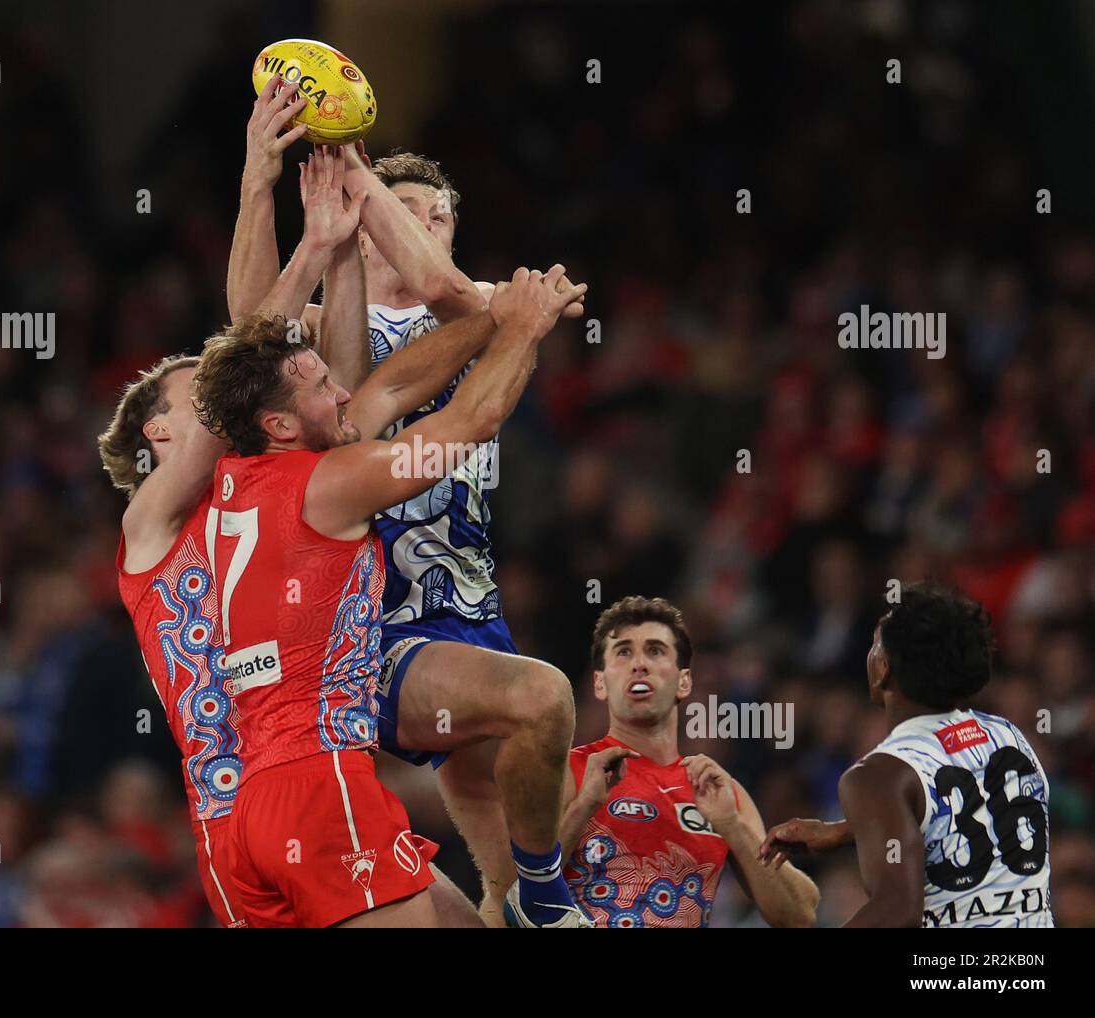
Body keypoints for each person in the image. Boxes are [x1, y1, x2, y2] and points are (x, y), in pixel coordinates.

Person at [100, 149, 519, 927]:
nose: (218, 389)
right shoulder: (154, 521)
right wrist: (276, 199)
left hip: (250, 809)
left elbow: (348, 398)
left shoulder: (255, 492)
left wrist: (329, 255)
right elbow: (257, 359)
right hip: (282, 789)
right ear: (159, 427)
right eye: (197, 389)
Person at [226, 77, 589, 927]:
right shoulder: (323, 338)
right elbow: (248, 329)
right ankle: (541, 894)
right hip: (375, 628)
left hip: (470, 615)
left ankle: (524, 894)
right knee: (543, 707)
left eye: (436, 213)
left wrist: (358, 169)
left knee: (502, 889)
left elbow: (446, 285)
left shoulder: (482, 308)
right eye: (401, 206)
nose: (415, 222)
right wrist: (278, 185)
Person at [760, 583, 1053, 928]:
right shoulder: (1008, 735)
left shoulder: (878, 774)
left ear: (884, 667)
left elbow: (898, 911)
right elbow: (962, 815)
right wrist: (844, 831)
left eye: (874, 645)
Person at [559, 596, 820, 927]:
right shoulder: (566, 772)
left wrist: (733, 827)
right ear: (599, 683)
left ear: (684, 681)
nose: (639, 664)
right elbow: (516, 895)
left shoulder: (719, 791)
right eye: (623, 652)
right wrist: (583, 808)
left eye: (655, 651)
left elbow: (800, 915)